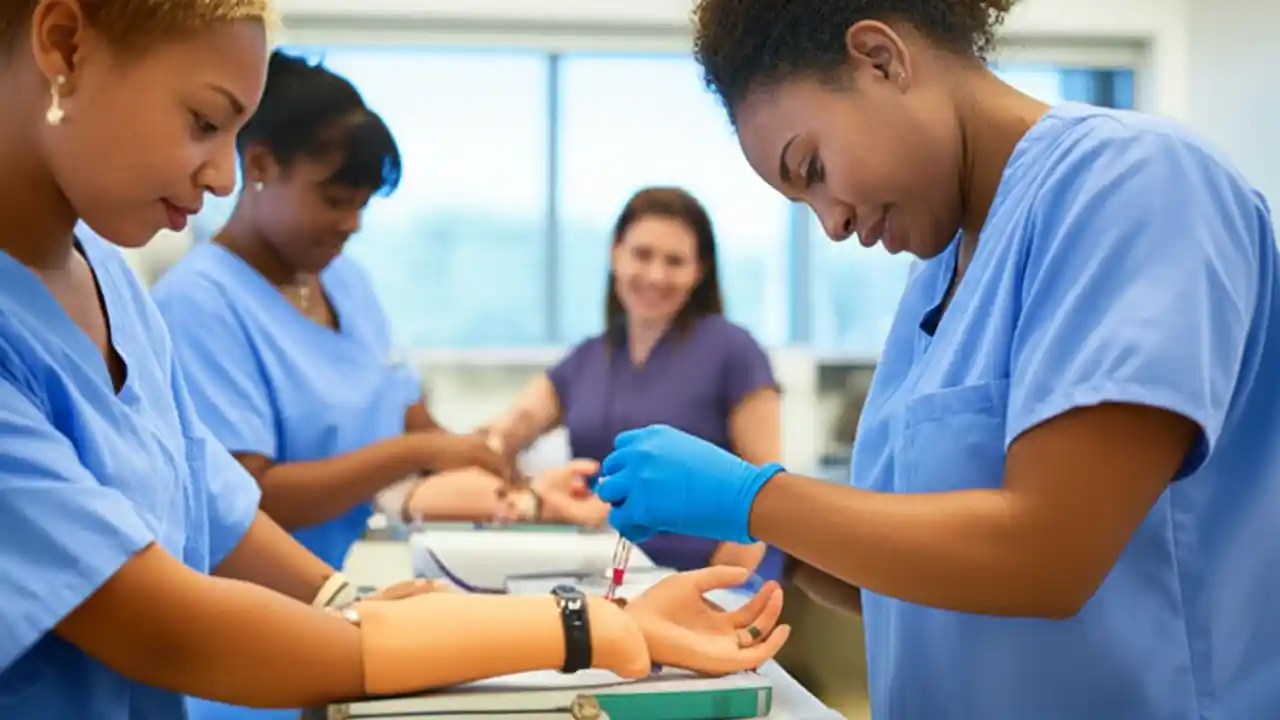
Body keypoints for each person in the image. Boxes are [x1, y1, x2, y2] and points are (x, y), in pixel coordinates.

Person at [0, 2, 791, 717]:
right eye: (205, 123)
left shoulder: (112, 281)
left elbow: (215, 496)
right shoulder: (146, 304)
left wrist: (345, 593)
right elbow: (172, 630)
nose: (223, 175)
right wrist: (586, 626)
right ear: (64, 43)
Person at [594, 0, 1280, 718]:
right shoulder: (940, 271)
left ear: (881, 58)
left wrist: (754, 497)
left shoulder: (1137, 184)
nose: (831, 223)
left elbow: (1047, 554)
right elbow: (923, 585)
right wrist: (763, 540)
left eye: (814, 167)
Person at [153, 51, 526, 581]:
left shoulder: (344, 282)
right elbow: (247, 498)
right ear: (259, 166)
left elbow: (408, 415)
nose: (351, 224)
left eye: (363, 205)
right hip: (249, 605)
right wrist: (417, 451)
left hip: (338, 581)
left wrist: (513, 482)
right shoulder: (199, 303)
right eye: (333, 200)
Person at [486, 186, 784, 578]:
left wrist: (716, 590)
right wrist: (527, 484)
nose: (655, 275)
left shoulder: (735, 351)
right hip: (602, 574)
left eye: (674, 261)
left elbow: (769, 495)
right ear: (615, 254)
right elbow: (505, 433)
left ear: (699, 271)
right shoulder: (586, 359)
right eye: (642, 255)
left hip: (705, 580)